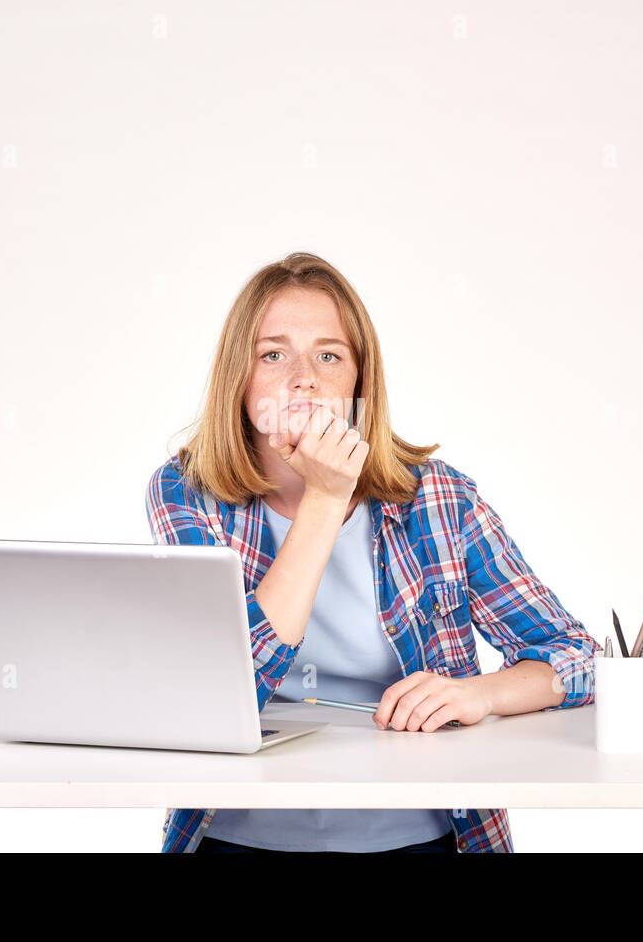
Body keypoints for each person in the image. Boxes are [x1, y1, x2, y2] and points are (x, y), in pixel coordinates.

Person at [144, 251, 601, 853]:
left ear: (359, 381)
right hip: (236, 836)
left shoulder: (437, 498)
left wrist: (478, 694)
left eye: (328, 355)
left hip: (418, 836)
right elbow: (226, 692)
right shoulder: (187, 492)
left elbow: (579, 659)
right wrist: (326, 501)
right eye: (273, 354)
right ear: (241, 378)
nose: (302, 377)